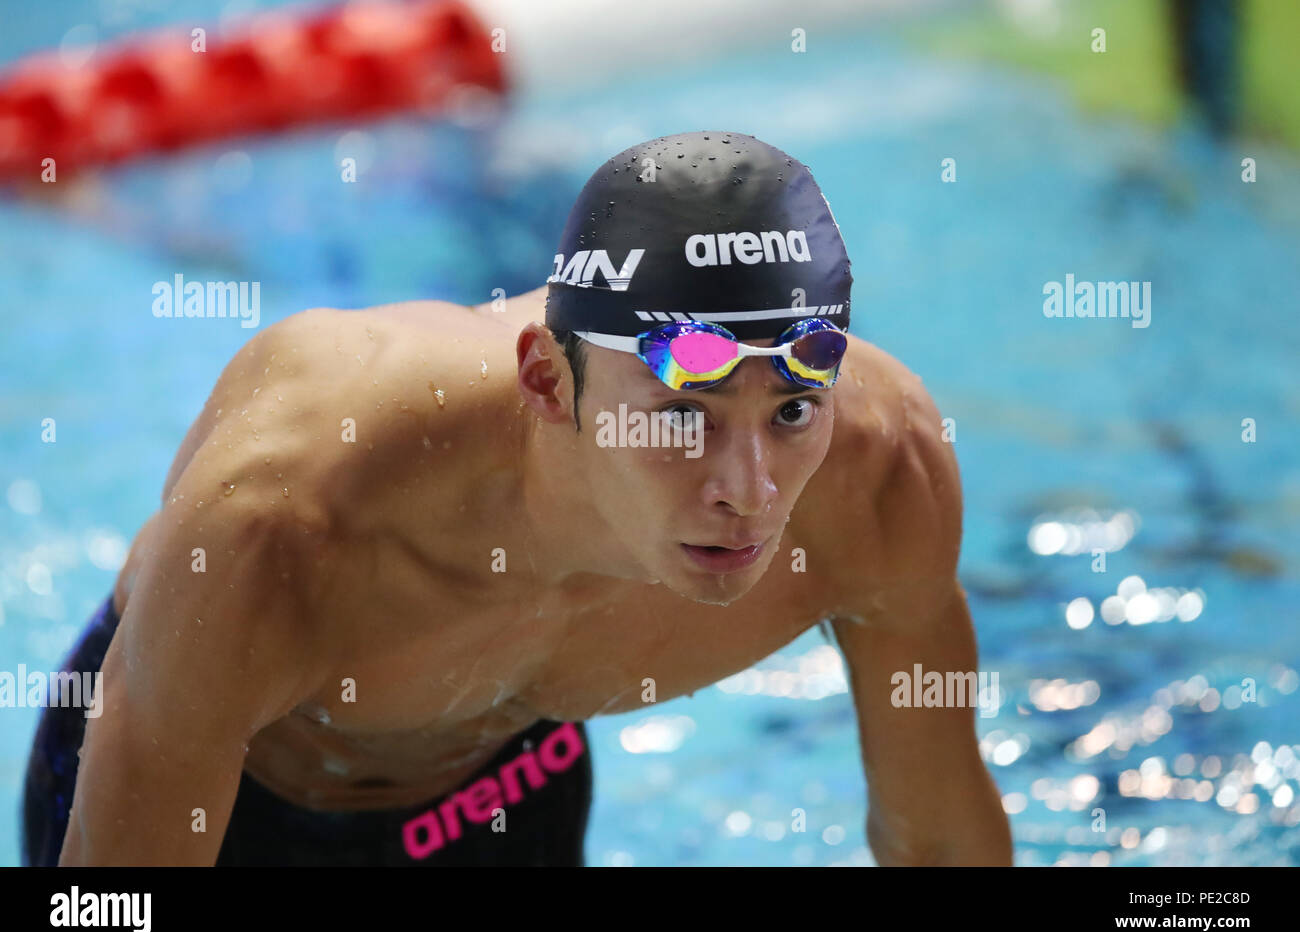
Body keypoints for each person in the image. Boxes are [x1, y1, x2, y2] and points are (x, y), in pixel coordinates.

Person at [24, 130, 1012, 866]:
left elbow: (938, 846)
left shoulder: (882, 474)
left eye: (793, 410)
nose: (749, 493)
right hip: (227, 799)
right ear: (547, 379)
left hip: (502, 792)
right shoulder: (291, 514)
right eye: (682, 417)